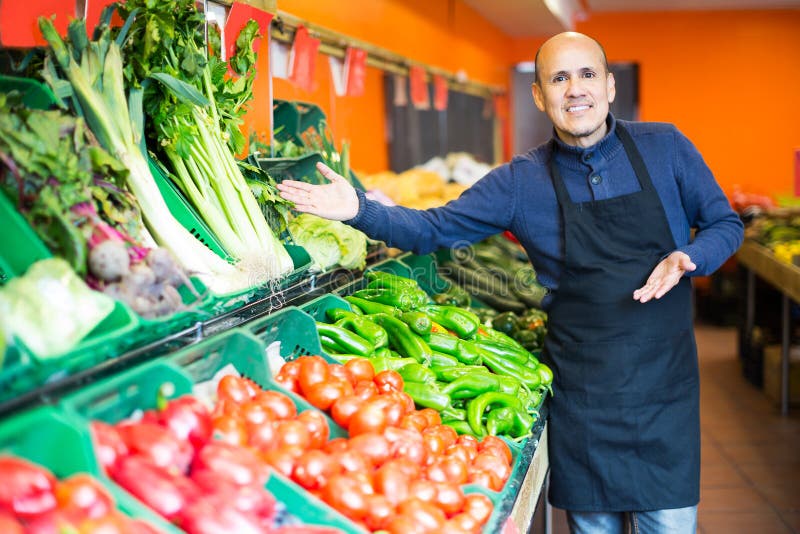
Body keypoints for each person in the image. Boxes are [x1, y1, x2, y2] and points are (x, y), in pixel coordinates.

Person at [277, 31, 743, 533]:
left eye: (587, 74)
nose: (576, 89)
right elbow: (435, 228)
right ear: (539, 95)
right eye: (559, 78)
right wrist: (360, 211)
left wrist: (690, 257)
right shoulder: (521, 181)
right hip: (586, 397)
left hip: (663, 394)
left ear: (609, 86)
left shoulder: (666, 147)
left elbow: (725, 223)